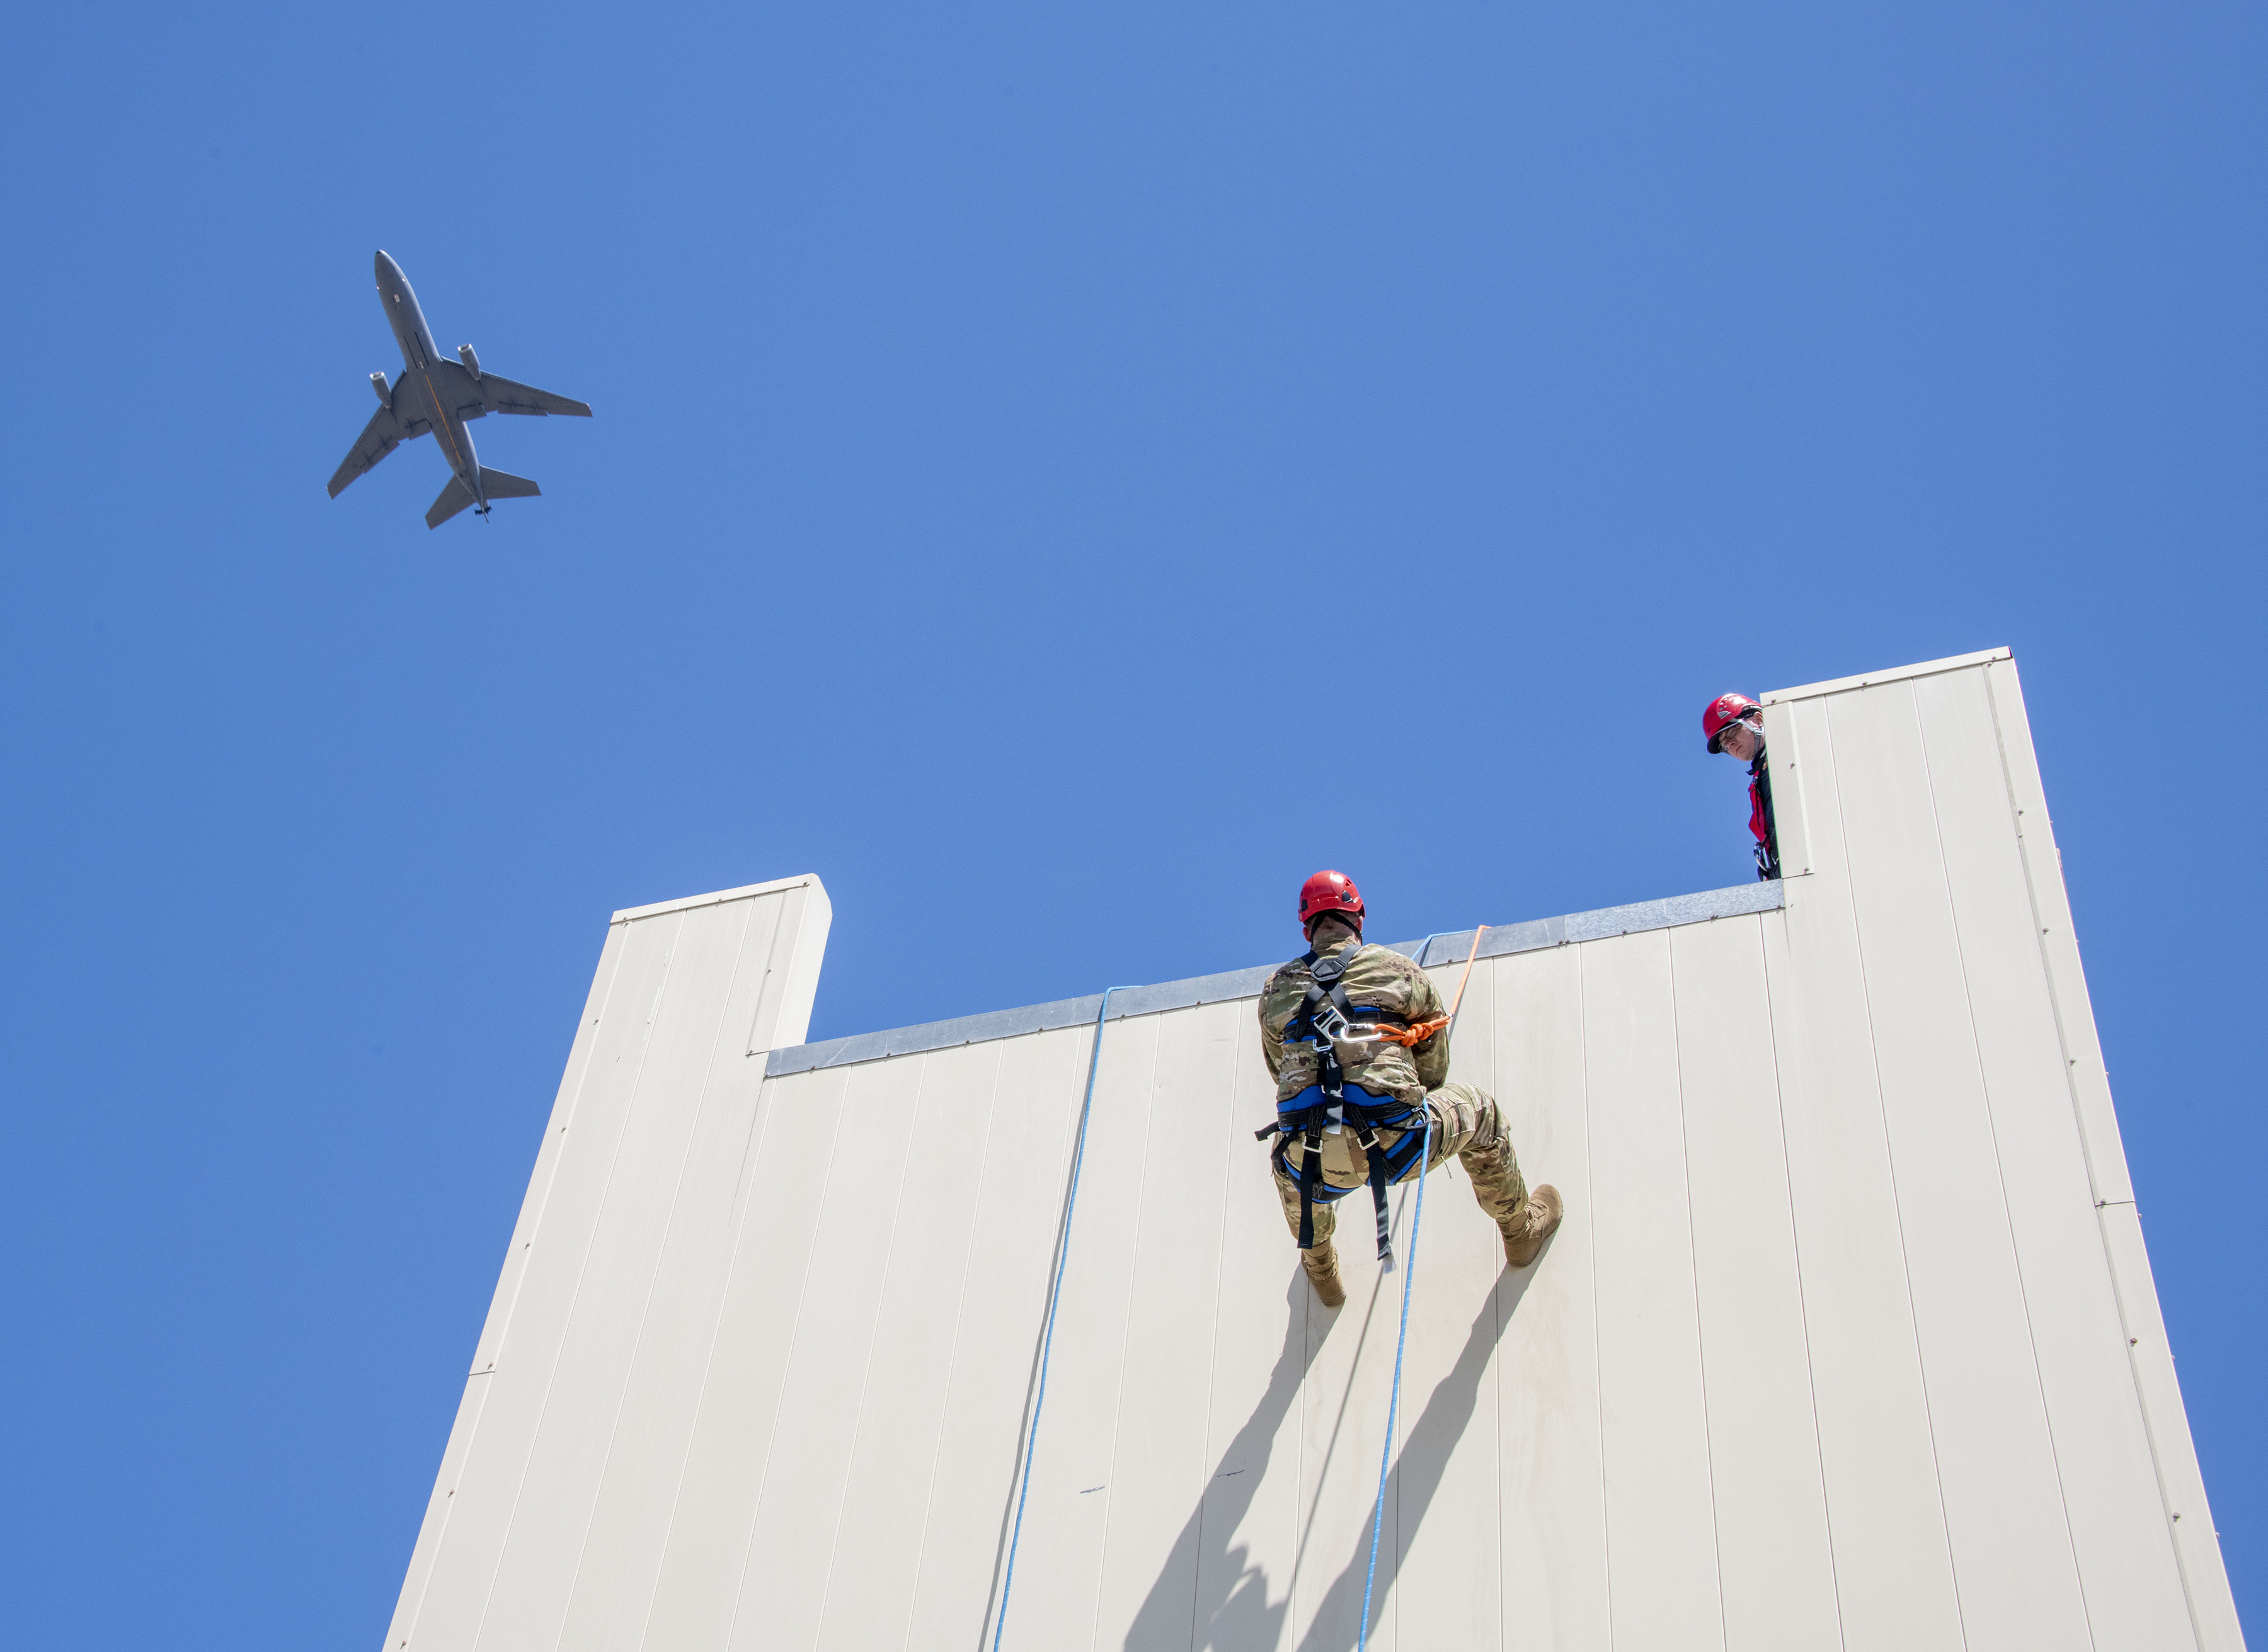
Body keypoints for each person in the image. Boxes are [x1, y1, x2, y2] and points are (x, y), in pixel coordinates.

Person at [1256, 870, 1562, 1308]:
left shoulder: (1275, 990)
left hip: (1318, 1167)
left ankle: (1320, 1266)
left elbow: (1279, 1069)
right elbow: (1434, 1070)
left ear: (1308, 927)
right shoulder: (1399, 969)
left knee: (1288, 1156)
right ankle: (1520, 1232)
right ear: (1357, 917)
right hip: (1398, 1143)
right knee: (1480, 1111)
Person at [1703, 692, 1779, 880]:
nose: (1729, 743)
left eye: (1731, 731)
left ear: (1758, 719)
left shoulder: (1791, 752)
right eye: (1723, 744)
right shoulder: (1761, 776)